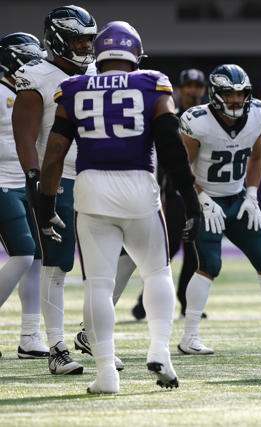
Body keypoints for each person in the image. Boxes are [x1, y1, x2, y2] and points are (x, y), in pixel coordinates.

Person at [38, 20, 200, 394]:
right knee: (156, 272)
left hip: (91, 187)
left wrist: (46, 206)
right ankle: (160, 349)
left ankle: (107, 372)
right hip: (138, 185)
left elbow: (54, 156)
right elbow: (172, 150)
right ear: (135, 55)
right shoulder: (152, 83)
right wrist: (189, 200)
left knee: (98, 283)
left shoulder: (73, 88)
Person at [178, 63, 261, 355]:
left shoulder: (257, 115)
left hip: (238, 197)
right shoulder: (197, 121)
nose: (236, 100)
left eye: (241, 94)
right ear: (215, 94)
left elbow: (255, 159)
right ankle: (189, 336)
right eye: (228, 94)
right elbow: (182, 170)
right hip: (206, 199)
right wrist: (201, 199)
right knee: (209, 266)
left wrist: (252, 194)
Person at [13, 4, 98, 375]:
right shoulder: (35, 77)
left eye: (89, 39)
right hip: (58, 178)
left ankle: (96, 337)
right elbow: (26, 136)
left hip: (98, 177)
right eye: (78, 39)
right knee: (58, 264)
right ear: (58, 40)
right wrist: (34, 177)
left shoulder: (98, 72)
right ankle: (56, 347)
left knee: (104, 264)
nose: (85, 47)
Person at [131, 68, 207, 320]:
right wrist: (159, 191)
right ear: (181, 88)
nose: (193, 91)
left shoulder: (208, 118)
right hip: (174, 194)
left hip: (201, 193)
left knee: (195, 252)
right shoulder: (169, 114)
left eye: (197, 87)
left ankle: (187, 303)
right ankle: (145, 300)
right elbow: (164, 159)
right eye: (189, 86)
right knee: (168, 248)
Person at [0, 32, 48, 360]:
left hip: (28, 185)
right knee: (23, 254)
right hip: (2, 183)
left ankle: (30, 335)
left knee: (39, 260)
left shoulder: (29, 92)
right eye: (32, 58)